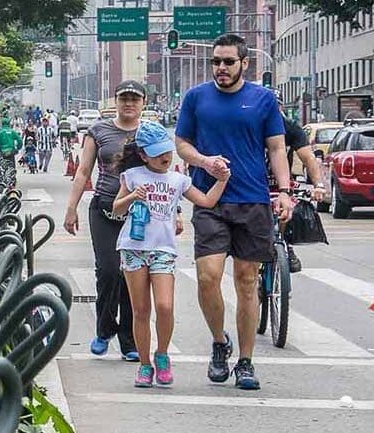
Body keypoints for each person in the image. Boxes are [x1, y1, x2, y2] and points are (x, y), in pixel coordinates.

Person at [174, 33, 293, 391]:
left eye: (228, 62)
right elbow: (181, 144)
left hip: (253, 200)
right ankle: (218, 342)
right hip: (210, 201)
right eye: (216, 62)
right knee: (208, 276)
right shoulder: (196, 98)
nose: (221, 68)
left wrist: (284, 192)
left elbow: (276, 148)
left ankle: (245, 361)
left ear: (244, 62)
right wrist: (203, 161)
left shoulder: (263, 100)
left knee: (246, 281)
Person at [111, 121, 230, 388]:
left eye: (167, 151)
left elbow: (206, 201)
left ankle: (162, 355)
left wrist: (222, 180)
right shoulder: (132, 176)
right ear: (143, 155)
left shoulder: (178, 180)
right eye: (156, 153)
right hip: (133, 248)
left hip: (163, 250)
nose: (165, 157)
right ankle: (144, 365)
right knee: (141, 310)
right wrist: (132, 197)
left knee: (165, 307)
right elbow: (116, 209)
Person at [64, 79, 149, 362]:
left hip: (138, 215)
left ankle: (129, 340)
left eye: (134, 99)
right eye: (124, 98)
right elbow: (83, 170)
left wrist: (172, 213)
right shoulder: (99, 130)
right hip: (103, 210)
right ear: (115, 101)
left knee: (131, 276)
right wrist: (71, 208)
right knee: (109, 271)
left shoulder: (149, 133)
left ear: (143, 104)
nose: (128, 104)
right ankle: (104, 329)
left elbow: (163, 174)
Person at [271, 89, 327, 273]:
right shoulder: (251, 126)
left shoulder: (291, 128)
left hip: (282, 184)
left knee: (287, 212)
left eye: (276, 106)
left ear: (281, 107)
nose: (272, 110)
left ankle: (285, 244)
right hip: (254, 182)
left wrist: (318, 185)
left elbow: (309, 159)